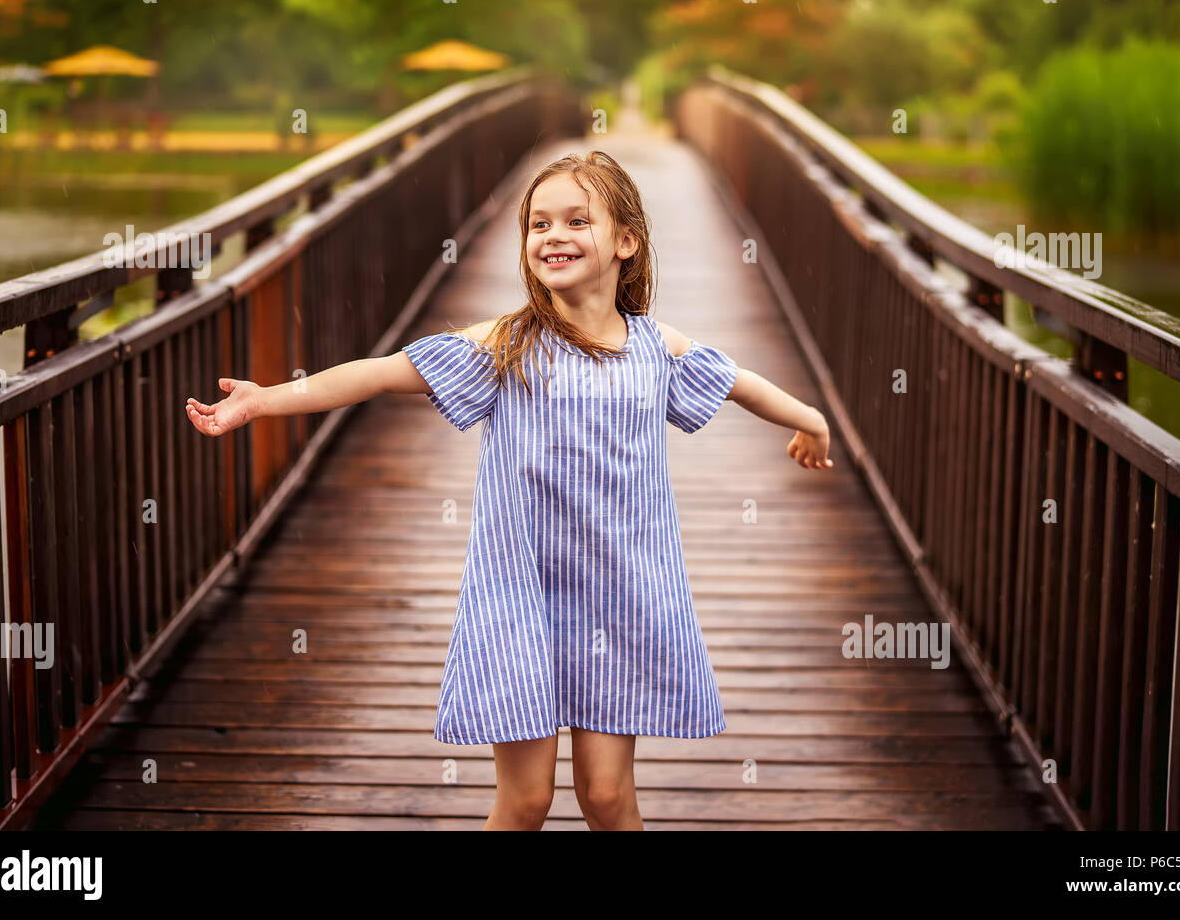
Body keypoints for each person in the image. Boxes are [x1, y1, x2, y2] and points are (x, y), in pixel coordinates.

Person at [185, 150, 834, 830]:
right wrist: (266, 400)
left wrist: (810, 420)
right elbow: (380, 373)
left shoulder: (652, 346)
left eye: (577, 220)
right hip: (518, 596)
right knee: (525, 800)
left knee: (607, 795)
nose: (553, 235)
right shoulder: (509, 344)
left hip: (620, 599)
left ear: (626, 240)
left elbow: (738, 382)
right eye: (538, 223)